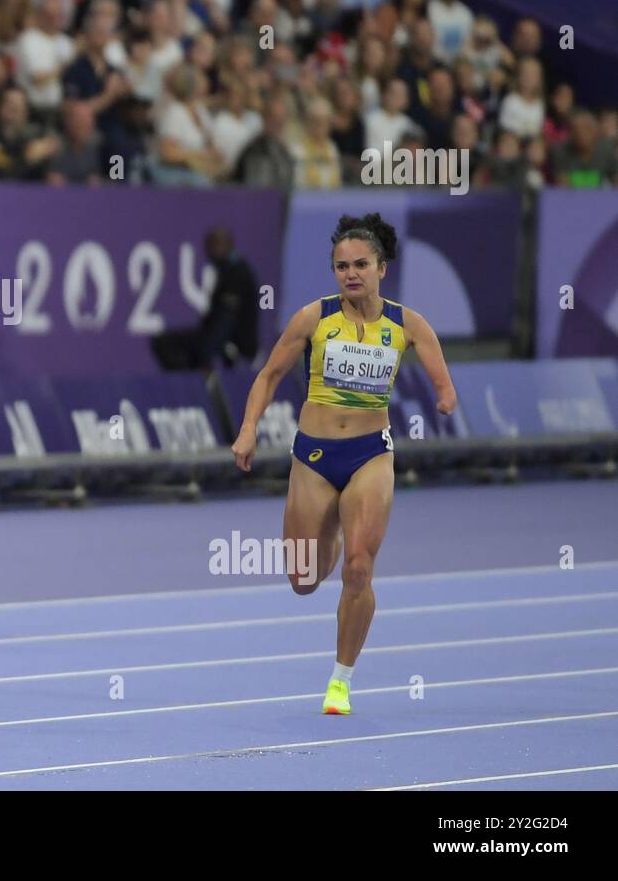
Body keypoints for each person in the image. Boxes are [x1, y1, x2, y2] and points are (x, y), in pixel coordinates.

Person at [230, 213, 457, 715]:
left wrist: (444, 396)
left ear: (381, 268)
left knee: (359, 568)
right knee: (303, 579)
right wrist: (248, 428)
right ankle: (329, 531)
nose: (350, 273)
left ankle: (340, 680)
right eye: (340, 266)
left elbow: (442, 378)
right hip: (313, 457)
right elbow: (268, 376)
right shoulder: (314, 317)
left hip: (369, 455)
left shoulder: (406, 324)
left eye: (360, 265)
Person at [150, 227, 258, 371]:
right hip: (216, 337)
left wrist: (206, 353)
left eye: (212, 246)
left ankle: (195, 383)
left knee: (168, 344)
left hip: (235, 343)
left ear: (223, 245)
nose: (208, 252)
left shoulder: (237, 273)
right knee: (164, 341)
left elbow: (226, 320)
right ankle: (194, 380)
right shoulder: (227, 270)